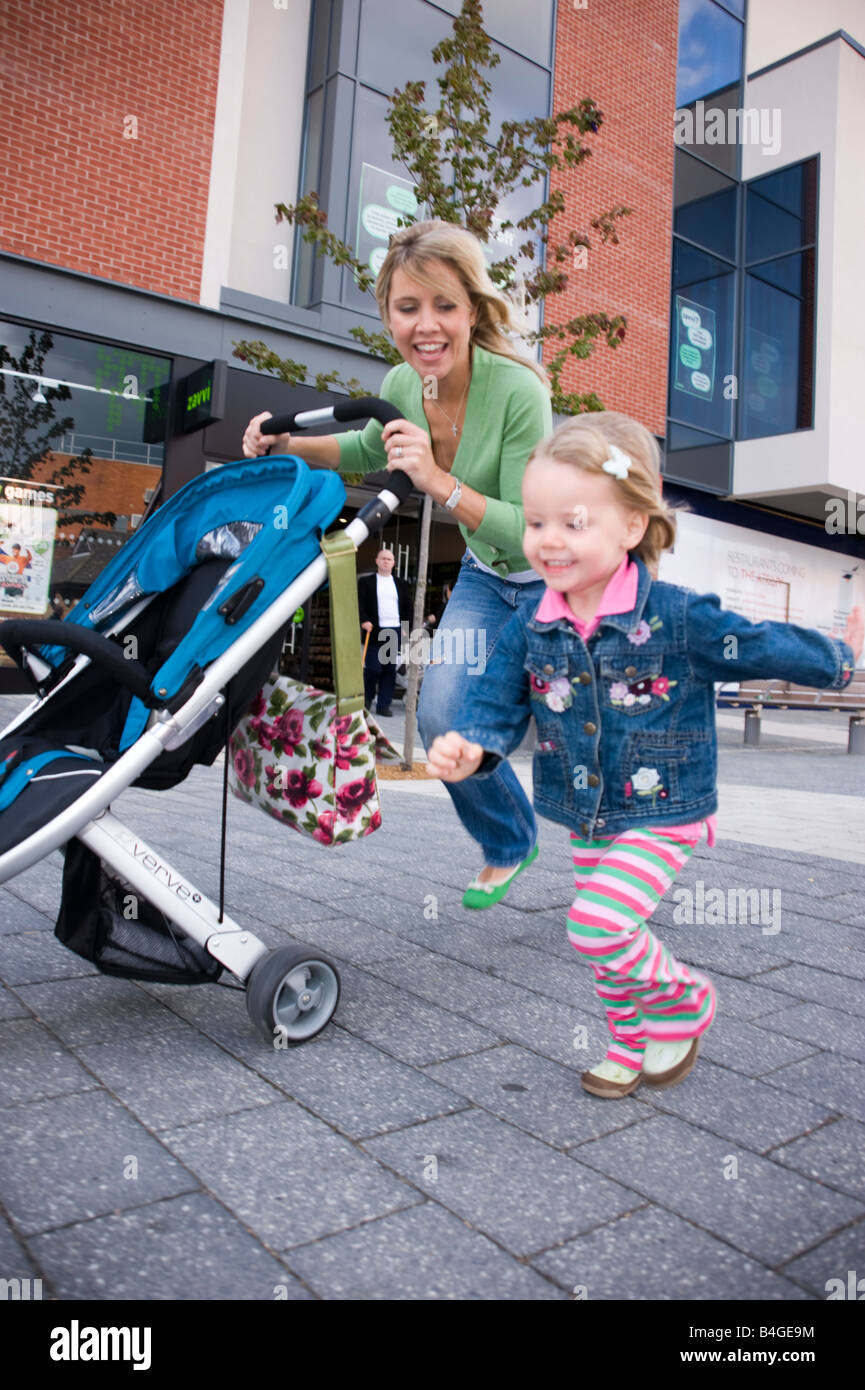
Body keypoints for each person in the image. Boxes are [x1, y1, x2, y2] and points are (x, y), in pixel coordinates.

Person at [426, 410, 864, 1099]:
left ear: (630, 526)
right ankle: (628, 1044)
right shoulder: (529, 620)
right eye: (536, 523)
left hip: (666, 809)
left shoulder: (676, 614)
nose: (548, 541)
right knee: (609, 950)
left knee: (597, 926)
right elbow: (493, 702)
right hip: (586, 810)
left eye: (573, 523)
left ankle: (685, 1004)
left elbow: (758, 643)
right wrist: (470, 749)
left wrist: (839, 657)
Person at [242, 219, 553, 906]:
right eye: (408, 307)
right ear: (387, 314)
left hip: (555, 584)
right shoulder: (402, 383)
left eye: (444, 305)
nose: (427, 325)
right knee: (441, 719)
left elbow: (534, 530)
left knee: (581, 739)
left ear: (473, 309)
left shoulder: (517, 393)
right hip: (486, 577)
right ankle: (509, 841)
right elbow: (362, 450)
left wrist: (440, 483)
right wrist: (285, 442)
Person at [357, 546, 412, 715]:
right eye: (383, 559)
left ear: (394, 563)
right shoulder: (366, 582)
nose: (386, 562)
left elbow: (407, 608)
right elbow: (359, 603)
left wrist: (405, 628)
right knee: (373, 668)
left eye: (389, 559)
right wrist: (364, 620)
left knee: (389, 669)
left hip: (394, 630)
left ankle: (383, 705)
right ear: (377, 561)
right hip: (373, 630)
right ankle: (367, 697)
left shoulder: (401, 584)